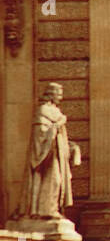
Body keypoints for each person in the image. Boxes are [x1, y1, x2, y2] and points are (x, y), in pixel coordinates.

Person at [19, 83, 81, 221]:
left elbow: (59, 137)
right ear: (51, 94)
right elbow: (40, 135)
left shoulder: (55, 111)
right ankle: (45, 210)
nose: (61, 98)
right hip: (48, 156)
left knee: (58, 182)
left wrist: (71, 147)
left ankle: (52, 209)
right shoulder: (42, 111)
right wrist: (58, 124)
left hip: (57, 155)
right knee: (54, 181)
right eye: (58, 95)